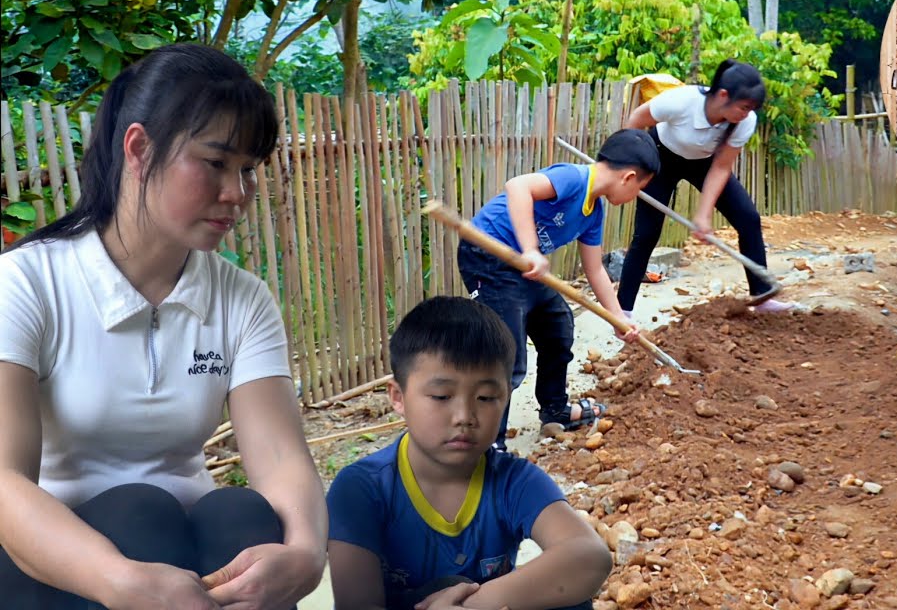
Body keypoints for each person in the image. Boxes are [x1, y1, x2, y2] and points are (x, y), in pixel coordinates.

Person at [0, 44, 327, 609]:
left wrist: (304, 554)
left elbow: (280, 459)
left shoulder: (240, 299)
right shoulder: (26, 283)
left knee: (244, 514)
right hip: (55, 564)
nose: (238, 194)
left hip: (186, 557)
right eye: (215, 162)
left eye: (248, 169)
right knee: (138, 511)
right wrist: (119, 580)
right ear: (139, 148)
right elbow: (5, 485)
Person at [326, 296, 613, 610]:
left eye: (486, 397)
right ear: (398, 397)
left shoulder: (512, 480)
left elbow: (590, 557)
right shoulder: (362, 489)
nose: (464, 415)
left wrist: (476, 604)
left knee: (568, 598)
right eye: (441, 396)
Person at [458, 129, 657, 449]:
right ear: (629, 177)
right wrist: (532, 250)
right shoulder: (575, 178)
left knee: (557, 326)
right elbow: (517, 187)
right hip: (488, 258)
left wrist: (618, 318)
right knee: (507, 355)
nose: (636, 196)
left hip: (523, 270)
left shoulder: (594, 212)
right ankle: (486, 446)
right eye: (640, 188)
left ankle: (555, 409)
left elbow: (595, 270)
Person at [617, 59, 791, 313]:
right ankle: (623, 311)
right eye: (744, 107)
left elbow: (721, 167)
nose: (747, 113)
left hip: (705, 163)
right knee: (646, 234)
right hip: (660, 157)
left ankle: (763, 296)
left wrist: (703, 214)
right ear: (723, 95)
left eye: (751, 108)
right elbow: (636, 120)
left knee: (748, 219)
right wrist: (631, 164)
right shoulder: (681, 101)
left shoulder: (745, 121)